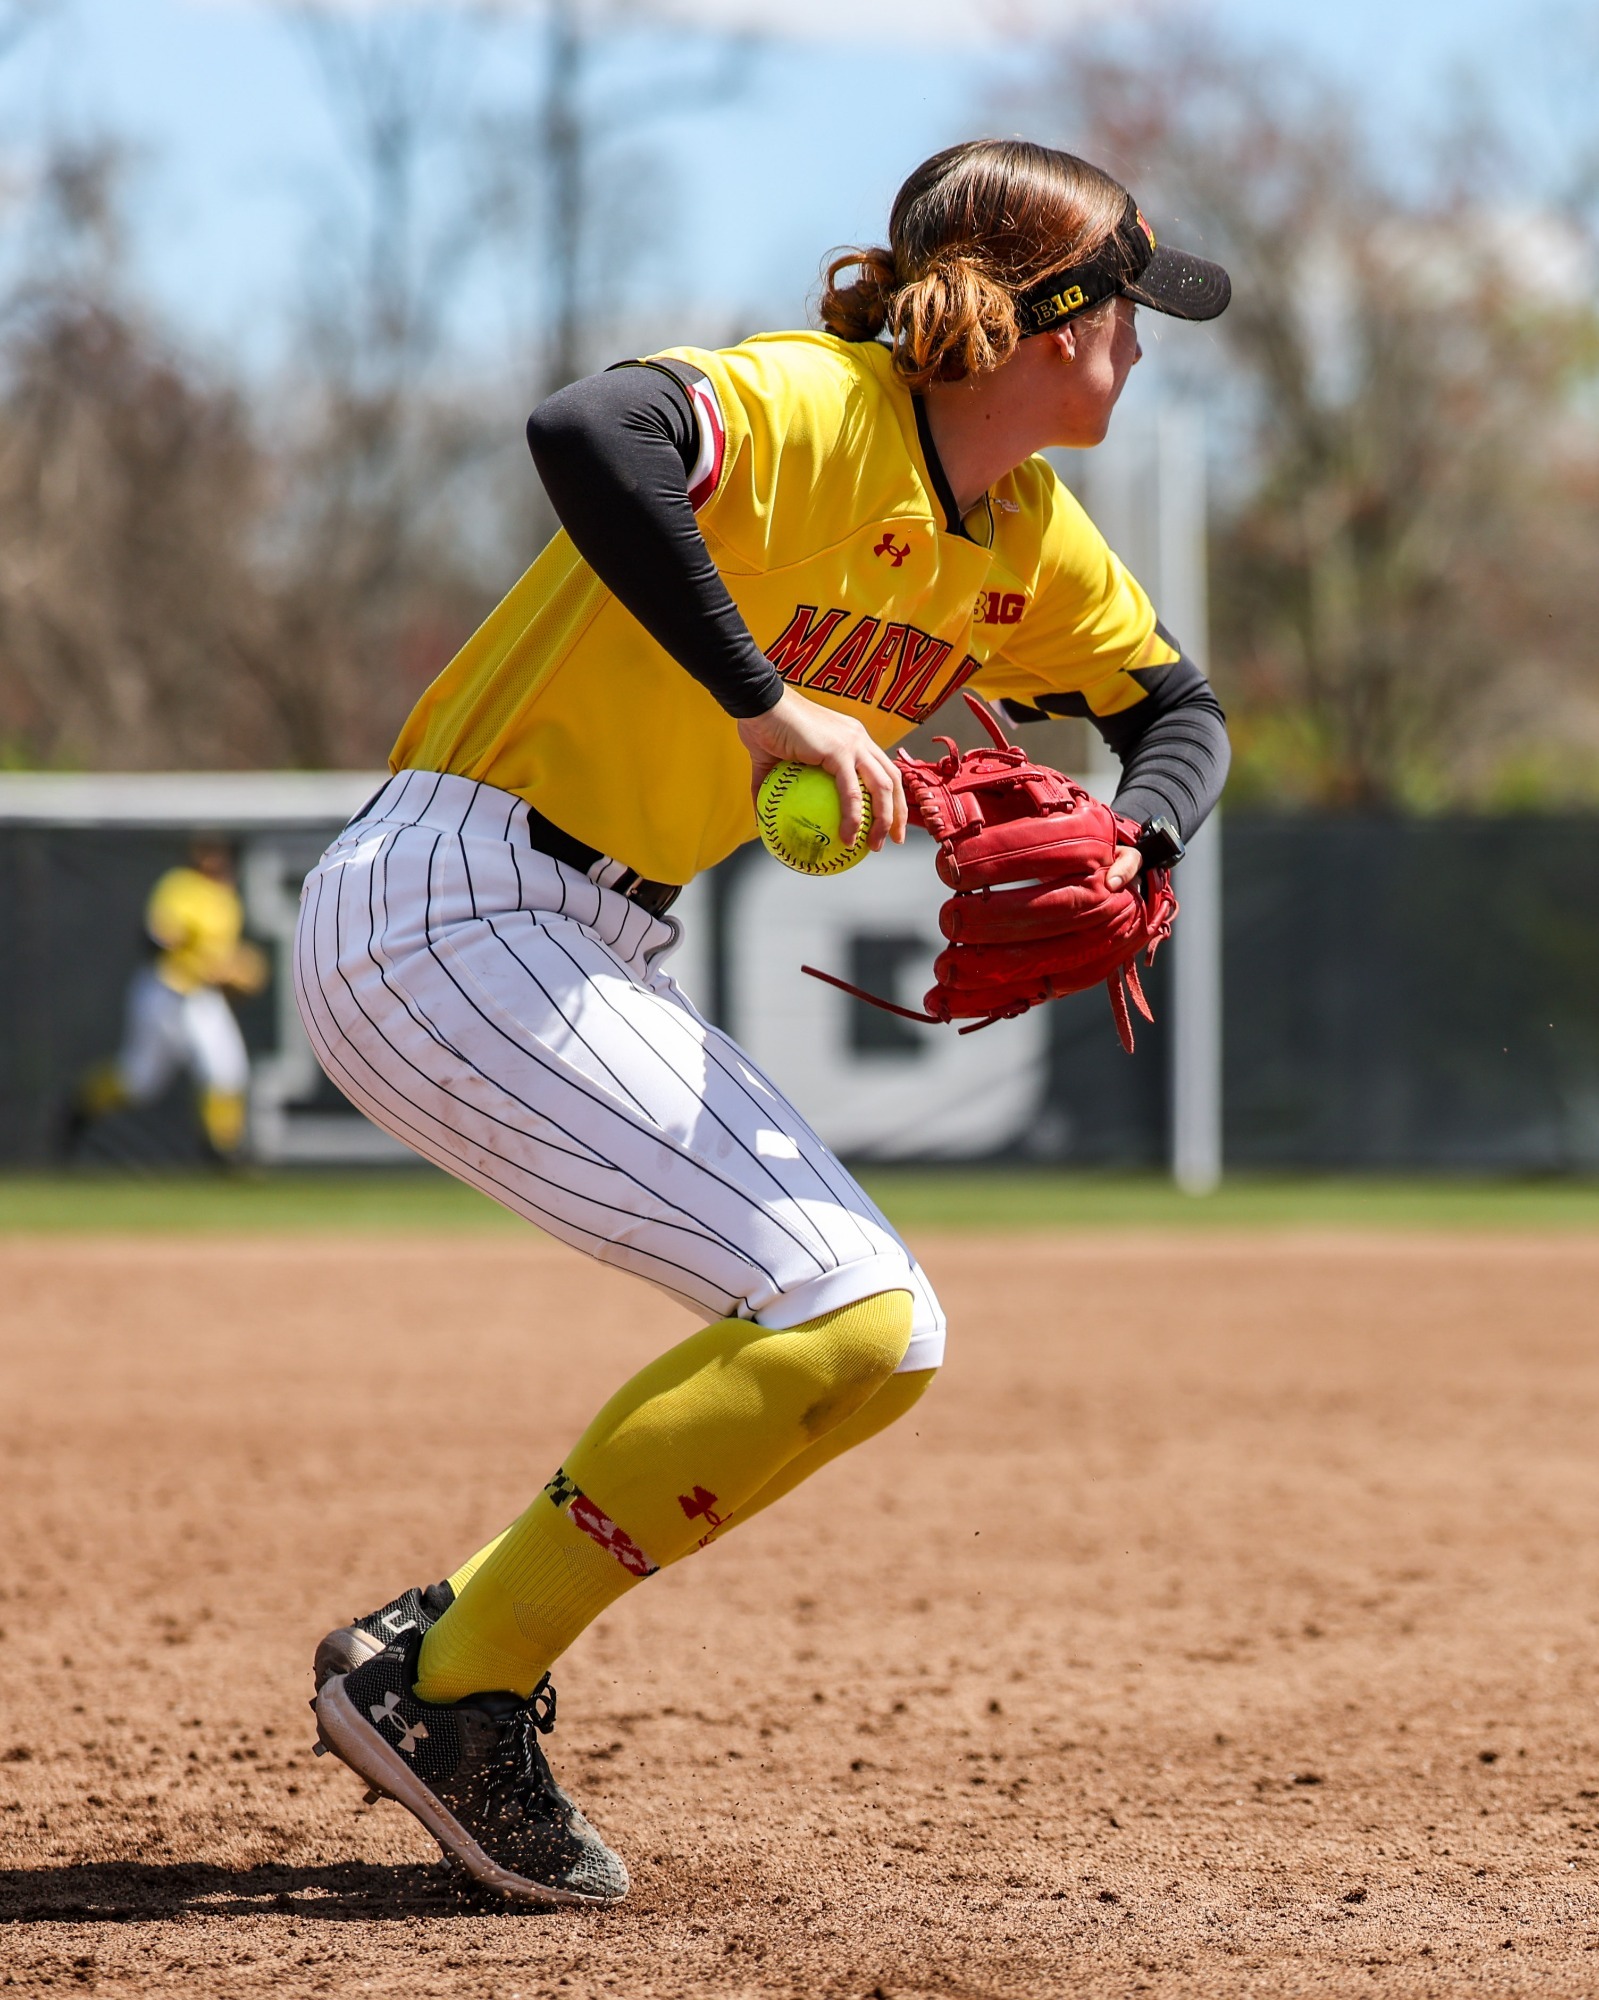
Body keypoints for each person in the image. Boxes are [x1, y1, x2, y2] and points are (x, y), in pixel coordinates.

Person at [297, 137, 1232, 1907]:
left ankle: (447, 1657)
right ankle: (452, 1687)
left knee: (879, 1337)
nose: (1139, 339)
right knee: (839, 1307)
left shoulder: (1024, 539)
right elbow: (589, 431)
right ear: (1043, 320)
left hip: (580, 932)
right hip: (449, 893)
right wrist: (762, 705)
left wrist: (1138, 828)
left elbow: (1173, 707)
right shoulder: (813, 408)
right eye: (1123, 305)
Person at [66, 836, 267, 1165]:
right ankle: (79, 1108)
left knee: (227, 1069)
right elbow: (154, 938)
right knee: (139, 1080)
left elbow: (221, 961)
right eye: (208, 852)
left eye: (220, 853)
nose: (214, 859)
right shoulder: (181, 886)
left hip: (201, 997)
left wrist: (231, 974)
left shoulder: (226, 899)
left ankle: (223, 1151)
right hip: (165, 991)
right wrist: (189, 949)